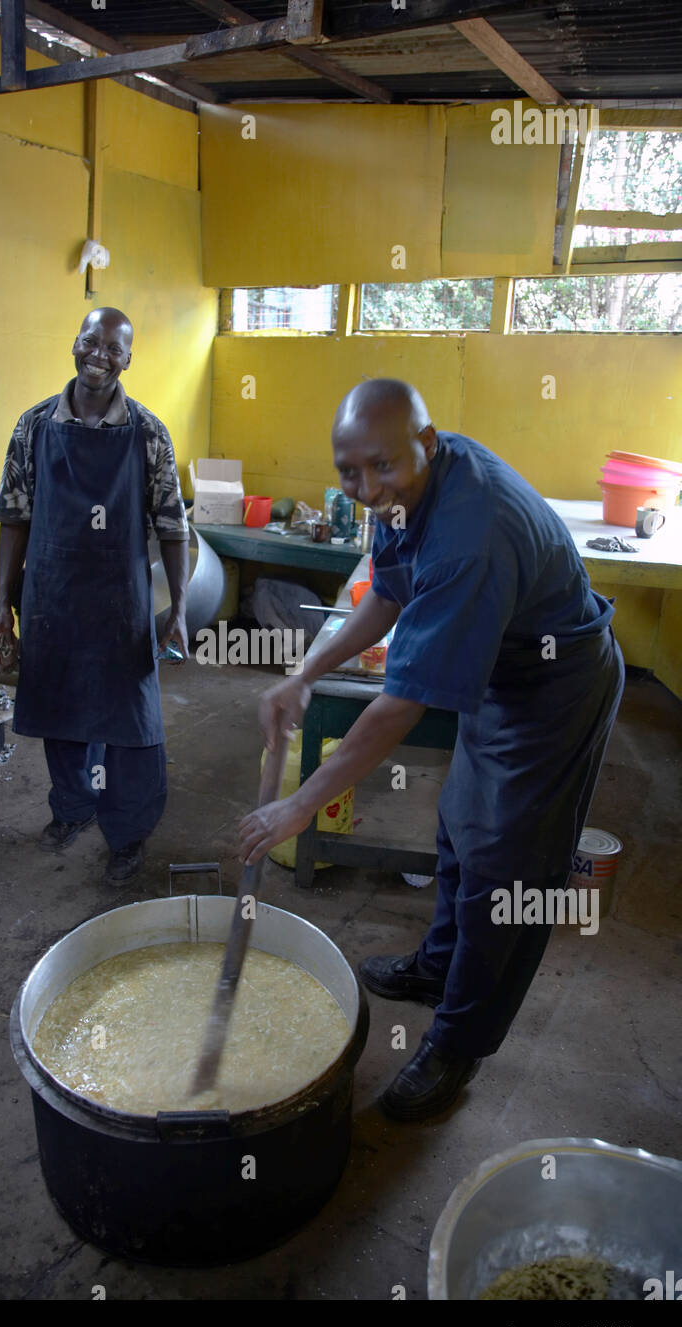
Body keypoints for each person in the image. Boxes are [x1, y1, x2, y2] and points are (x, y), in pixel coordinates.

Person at [239, 379, 624, 1120]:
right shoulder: (398, 496)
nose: (367, 487)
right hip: (501, 669)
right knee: (458, 826)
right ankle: (436, 966)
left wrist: (300, 805)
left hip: (556, 690)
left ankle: (459, 1042)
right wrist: (304, 675)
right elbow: (388, 591)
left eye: (381, 466)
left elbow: (396, 712)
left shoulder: (470, 533)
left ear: (429, 443)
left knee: (506, 874)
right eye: (349, 471)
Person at [0, 307, 189, 886]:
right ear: (75, 342)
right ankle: (72, 810)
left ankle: (126, 836)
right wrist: (5, 600)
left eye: (114, 348)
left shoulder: (148, 432)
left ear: (128, 359)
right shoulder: (33, 425)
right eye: (90, 341)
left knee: (130, 723)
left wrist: (176, 607)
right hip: (50, 595)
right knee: (61, 710)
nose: (98, 354)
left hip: (120, 601)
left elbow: (172, 524)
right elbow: (14, 516)